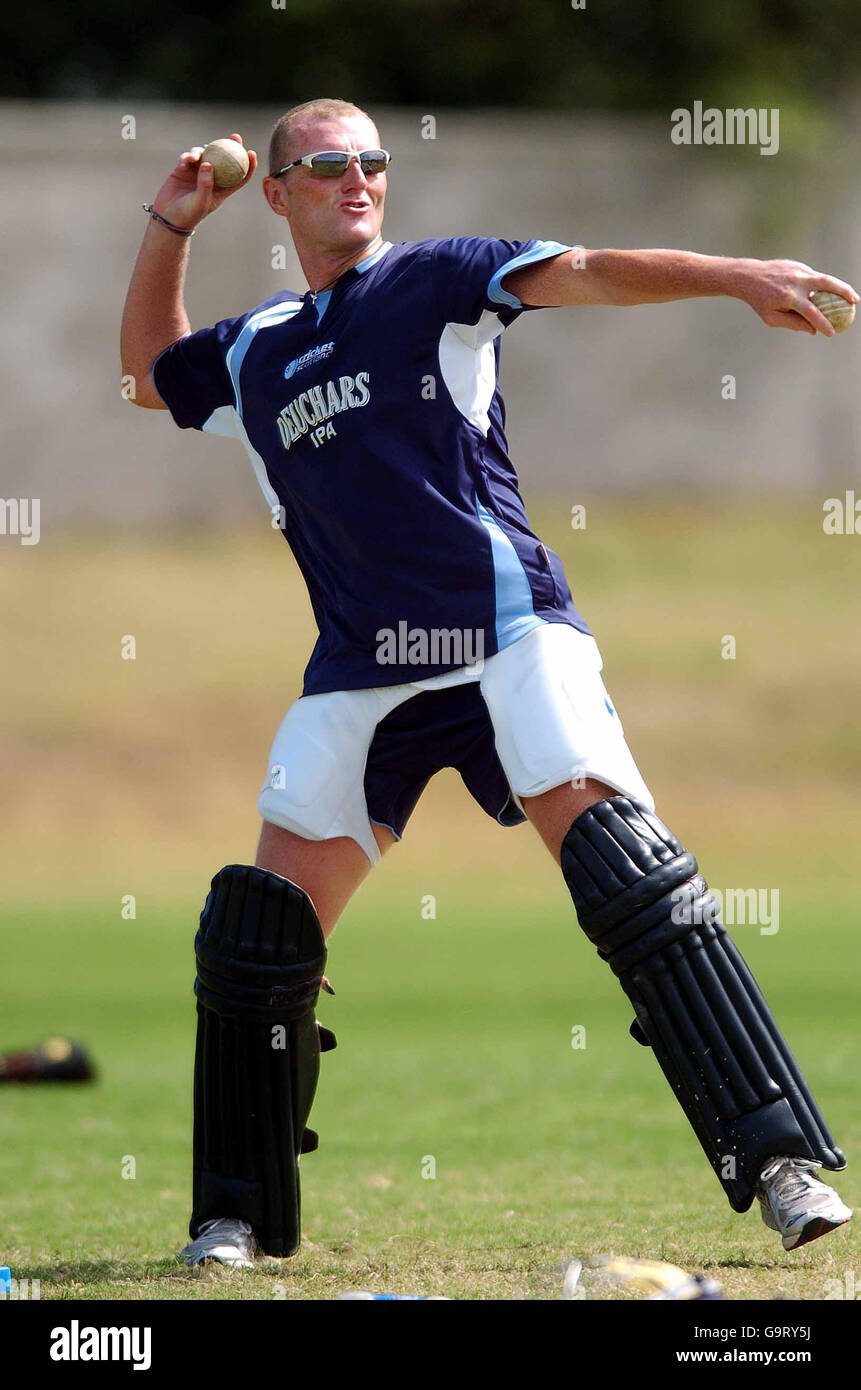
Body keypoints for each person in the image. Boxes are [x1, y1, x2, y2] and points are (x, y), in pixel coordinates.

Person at [121, 98, 854, 1269]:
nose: (357, 179)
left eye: (372, 161)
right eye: (326, 166)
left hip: (508, 632)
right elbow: (149, 379)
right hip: (363, 669)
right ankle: (236, 1219)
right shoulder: (256, 347)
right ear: (277, 191)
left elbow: (594, 271)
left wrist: (736, 272)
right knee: (257, 941)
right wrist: (170, 223)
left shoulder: (437, 280)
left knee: (632, 881)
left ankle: (779, 1166)